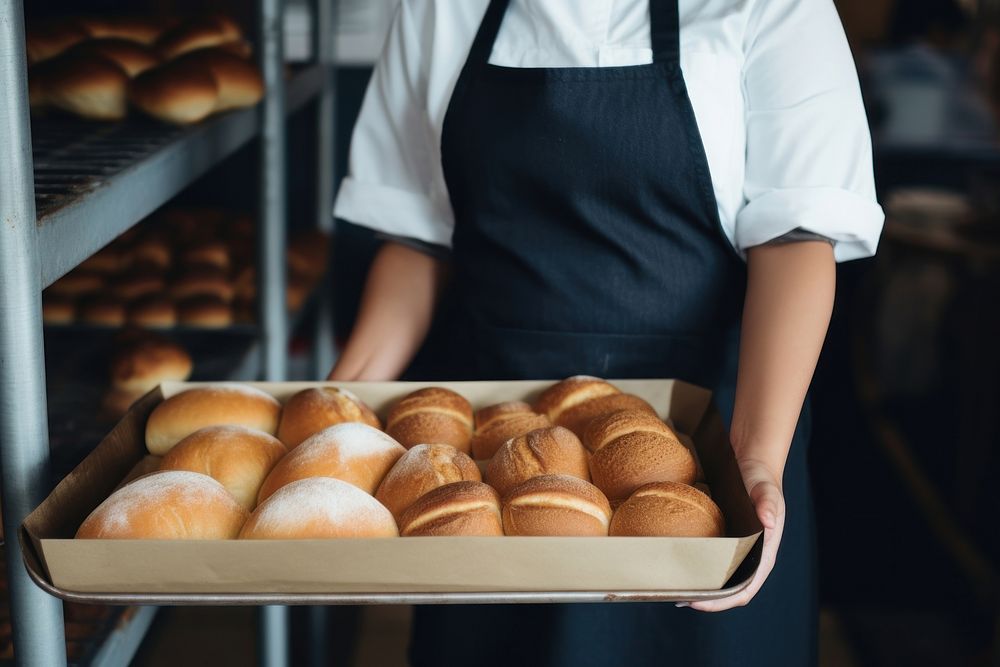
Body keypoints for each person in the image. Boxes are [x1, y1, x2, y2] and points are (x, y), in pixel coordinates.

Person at [328, 0, 884, 665]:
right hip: (494, 463)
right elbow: (419, 234)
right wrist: (338, 413)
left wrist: (755, 458)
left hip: (697, 459)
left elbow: (796, 237)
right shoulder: (442, 7)